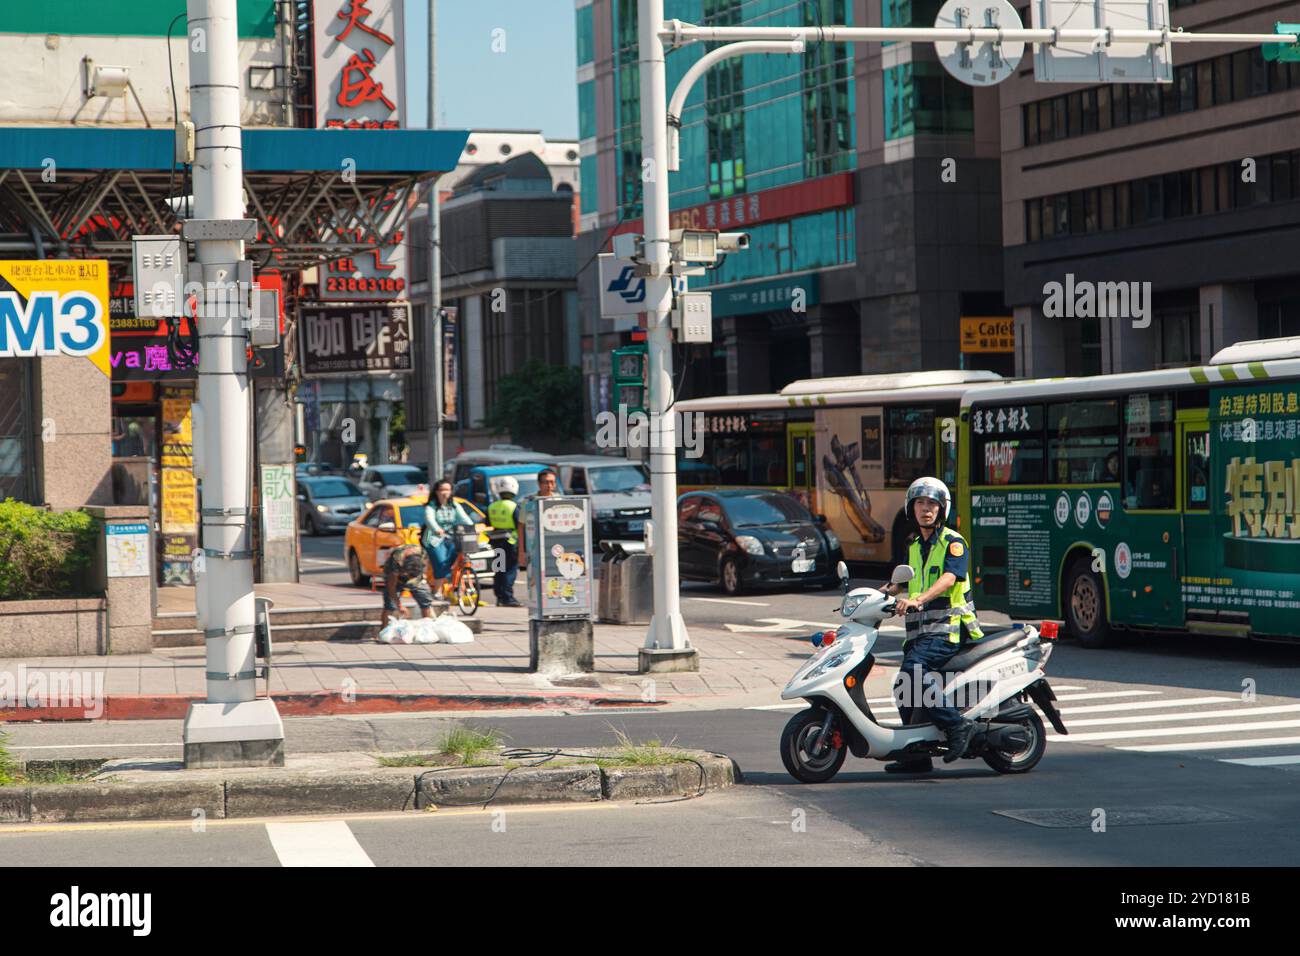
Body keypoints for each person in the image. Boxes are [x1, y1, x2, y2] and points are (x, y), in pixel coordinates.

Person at [885, 476, 984, 773]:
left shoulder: (953, 543)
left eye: (932, 504)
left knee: (913, 672)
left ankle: (957, 727)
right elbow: (901, 582)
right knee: (904, 688)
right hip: (920, 634)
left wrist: (920, 599)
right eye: (920, 503)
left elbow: (949, 579)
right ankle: (917, 756)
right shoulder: (914, 546)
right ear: (911, 508)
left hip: (948, 628)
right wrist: (877, 594)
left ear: (942, 509)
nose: (925, 509)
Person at [423, 479, 475, 598]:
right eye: (442, 490)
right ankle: (436, 591)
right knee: (441, 562)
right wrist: (436, 529)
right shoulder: (431, 507)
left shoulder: (454, 505)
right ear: (436, 492)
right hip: (434, 539)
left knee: (459, 559)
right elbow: (429, 520)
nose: (445, 492)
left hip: (452, 537)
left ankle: (452, 585)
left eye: (447, 490)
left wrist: (472, 527)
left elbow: (465, 519)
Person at [380, 541, 435, 631]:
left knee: (425, 599)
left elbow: (423, 571)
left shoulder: (422, 554)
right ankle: (383, 631)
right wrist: (399, 605)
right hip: (395, 577)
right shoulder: (396, 561)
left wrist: (418, 578)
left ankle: (427, 630)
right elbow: (391, 587)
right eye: (407, 575)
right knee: (390, 604)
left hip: (416, 578)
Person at [516, 467, 558, 585]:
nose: (549, 485)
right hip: (534, 549)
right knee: (536, 582)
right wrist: (521, 552)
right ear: (539, 484)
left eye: (552, 482)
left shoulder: (559, 500)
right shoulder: (529, 502)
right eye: (546, 482)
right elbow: (521, 526)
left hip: (555, 548)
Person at [487, 476, 522, 607]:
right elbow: (519, 524)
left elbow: (488, 522)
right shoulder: (514, 506)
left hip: (496, 540)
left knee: (499, 569)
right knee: (510, 569)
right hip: (511, 542)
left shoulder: (492, 506)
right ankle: (508, 597)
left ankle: (499, 596)